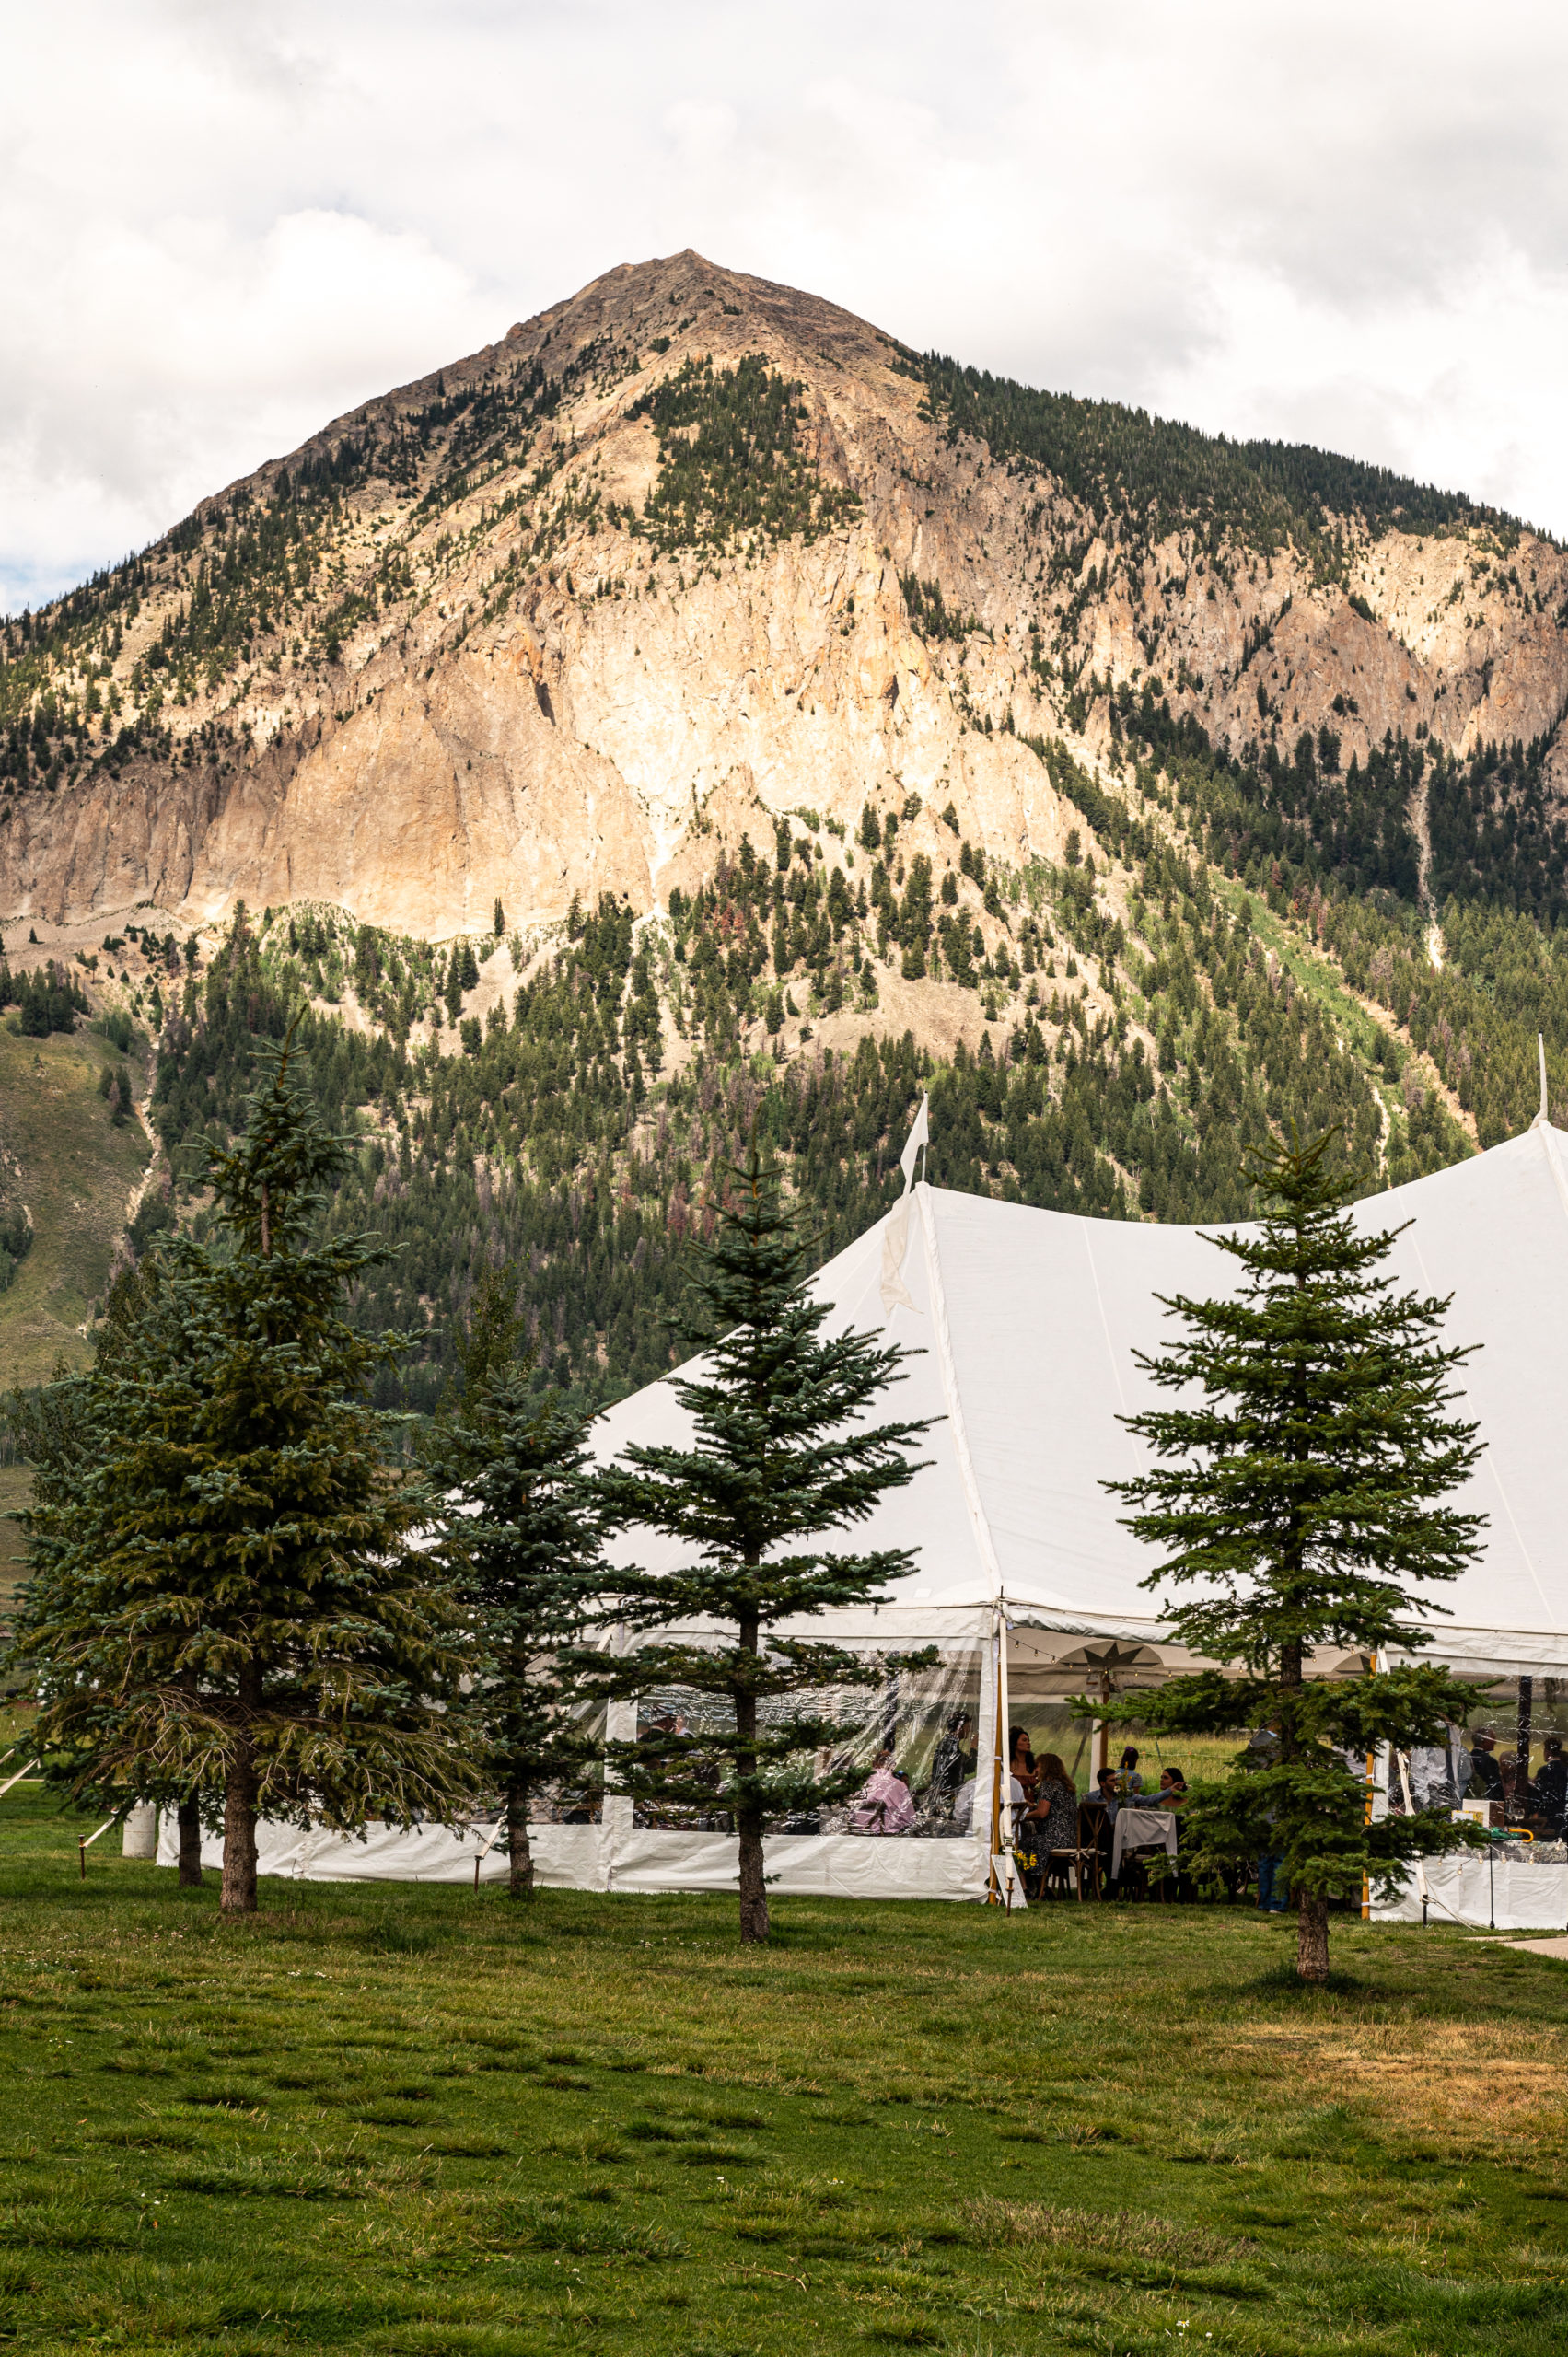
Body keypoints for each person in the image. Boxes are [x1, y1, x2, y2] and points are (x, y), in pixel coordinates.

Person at [849, 1748, 916, 1835]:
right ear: (893, 1766)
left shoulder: (858, 1782)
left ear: (873, 1764)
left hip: (857, 1835)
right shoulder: (900, 1786)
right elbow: (909, 1819)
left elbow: (848, 1811)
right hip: (887, 1837)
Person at [1535, 1736, 1567, 1833]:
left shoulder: (1543, 1771)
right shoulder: (1565, 1769)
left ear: (1548, 1751)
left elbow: (1539, 1795)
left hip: (1547, 1816)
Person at [1468, 1730, 1504, 1807]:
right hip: (1486, 1804)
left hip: (1469, 1802)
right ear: (1484, 1740)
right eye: (1492, 1739)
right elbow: (1496, 1788)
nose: (1495, 1742)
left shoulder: (1467, 1758)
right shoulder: (1490, 1761)